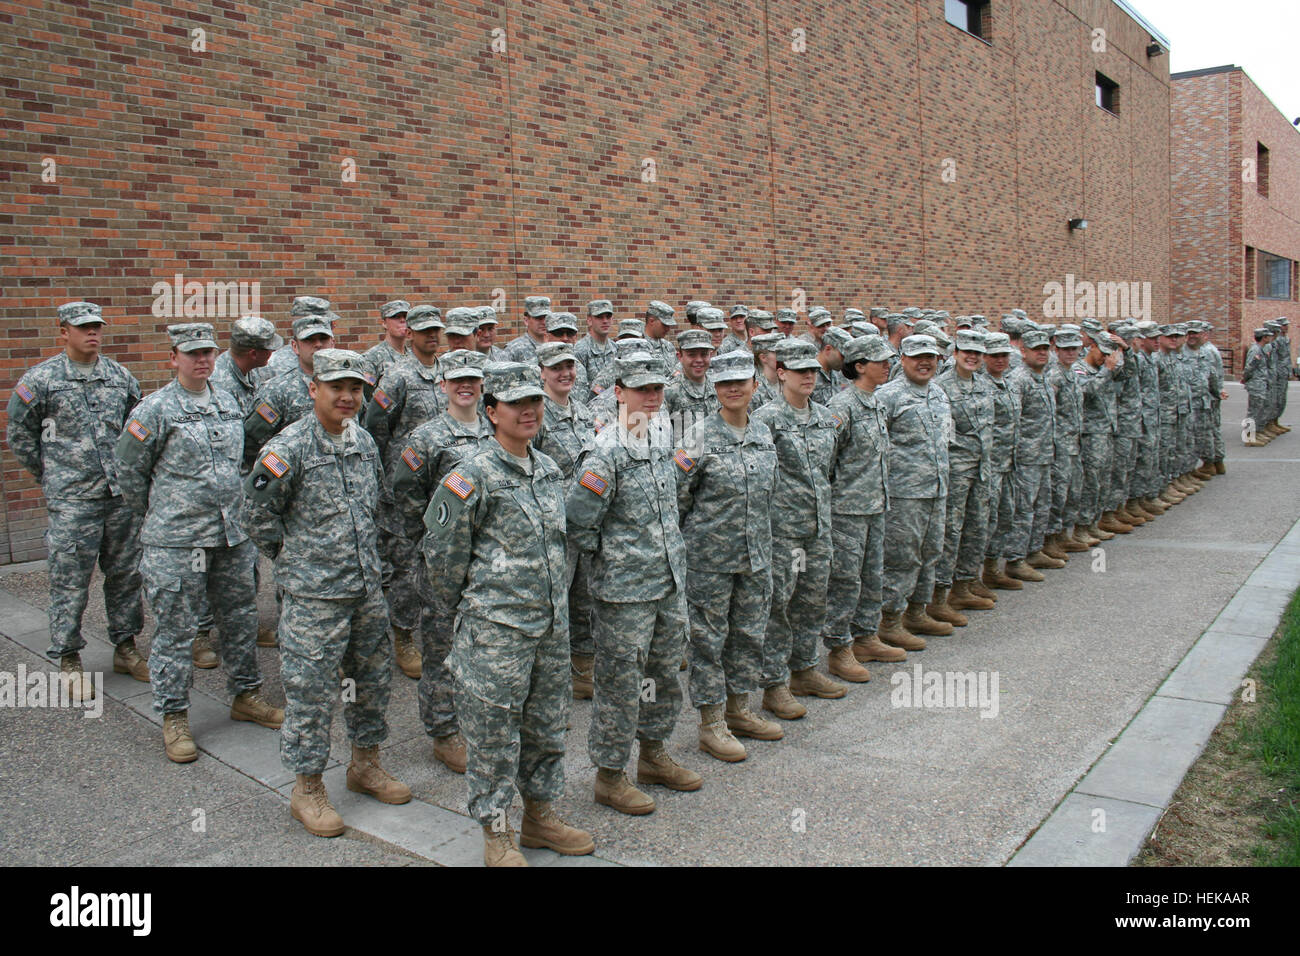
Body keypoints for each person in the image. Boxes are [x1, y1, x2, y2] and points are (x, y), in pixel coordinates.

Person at [423, 361, 593, 866]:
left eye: (535, 402)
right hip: (495, 632)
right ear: (491, 411)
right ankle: (496, 833)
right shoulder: (471, 476)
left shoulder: (547, 469)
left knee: (546, 727)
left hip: (548, 628)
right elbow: (441, 554)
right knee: (494, 736)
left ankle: (539, 817)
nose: (529, 412)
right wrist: (473, 610)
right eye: (517, 404)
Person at [245, 348, 410, 837]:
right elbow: (256, 517)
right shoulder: (286, 449)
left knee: (372, 682)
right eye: (337, 387)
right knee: (311, 694)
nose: (347, 396)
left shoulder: (360, 439)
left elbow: (375, 505)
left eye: (356, 388)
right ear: (314, 389)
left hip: (364, 589)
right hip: (315, 598)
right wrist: (298, 562)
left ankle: (365, 764)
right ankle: (308, 787)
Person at [115, 323, 281, 763]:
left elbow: (242, 460)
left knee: (241, 618)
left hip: (231, 535)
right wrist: (160, 516)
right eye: (192, 354)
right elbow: (128, 473)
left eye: (207, 352)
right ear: (174, 358)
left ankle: (246, 695)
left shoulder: (228, 401)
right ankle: (174, 715)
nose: (202, 360)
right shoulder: (154, 410)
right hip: (176, 540)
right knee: (176, 628)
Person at [566, 351, 701, 815]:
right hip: (624, 593)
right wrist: (615, 560)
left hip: (666, 581)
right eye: (641, 389)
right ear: (618, 393)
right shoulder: (605, 451)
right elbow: (579, 522)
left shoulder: (663, 433)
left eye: (657, 389)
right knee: (621, 683)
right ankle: (609, 775)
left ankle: (654, 755)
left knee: (662, 675)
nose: (651, 397)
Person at [7, 301, 146, 698]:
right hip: (73, 501)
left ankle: (125, 646)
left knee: (125, 575)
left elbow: (136, 431)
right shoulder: (42, 380)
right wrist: (52, 476)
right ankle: (68, 657)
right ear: (63, 331)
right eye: (83, 327)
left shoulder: (120, 377)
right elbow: (20, 435)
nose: (93, 334)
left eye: (97, 327)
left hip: (117, 497)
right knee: (70, 581)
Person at [389, 349, 494, 774]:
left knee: (481, 642)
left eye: (472, 379)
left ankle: (475, 718)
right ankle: (444, 731)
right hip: (444, 562)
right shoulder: (426, 438)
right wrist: (432, 541)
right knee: (441, 647)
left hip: (487, 558)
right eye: (457, 380)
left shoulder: (495, 430)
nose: (465, 386)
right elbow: (406, 494)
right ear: (442, 385)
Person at [677, 350, 780, 761]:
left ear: (755, 385)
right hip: (709, 561)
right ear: (716, 389)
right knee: (708, 642)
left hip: (756, 554)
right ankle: (711, 723)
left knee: (750, 634)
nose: (733, 389)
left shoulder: (762, 433)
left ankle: (740, 709)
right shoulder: (696, 437)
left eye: (741, 381)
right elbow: (678, 497)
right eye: (724, 383)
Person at [753, 339, 859, 708]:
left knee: (813, 600)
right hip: (784, 531)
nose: (809, 377)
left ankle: (805, 670)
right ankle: (774, 683)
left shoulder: (826, 417)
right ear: (781, 373)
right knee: (779, 605)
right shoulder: (765, 420)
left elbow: (829, 470)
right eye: (800, 371)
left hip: (818, 527)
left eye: (813, 370)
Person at [365, 305, 451, 680]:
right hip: (406, 486)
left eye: (437, 330)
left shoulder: (449, 372)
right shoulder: (397, 377)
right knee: (404, 563)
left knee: (441, 556)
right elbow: (376, 427)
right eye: (425, 330)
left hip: (444, 485)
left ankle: (439, 625)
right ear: (410, 334)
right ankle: (402, 634)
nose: (433, 336)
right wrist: (391, 472)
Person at [821, 334, 904, 673]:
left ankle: (866, 636)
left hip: (875, 505)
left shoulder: (877, 402)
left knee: (872, 576)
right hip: (847, 511)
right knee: (845, 580)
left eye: (888, 360)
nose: (887, 366)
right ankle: (839, 648)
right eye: (880, 361)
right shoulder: (842, 407)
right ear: (859, 366)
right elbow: (825, 461)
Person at [874, 334, 952, 646]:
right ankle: (890, 620)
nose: (925, 363)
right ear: (902, 359)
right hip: (903, 493)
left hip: (936, 489)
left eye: (930, 357)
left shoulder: (939, 393)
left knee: (931, 552)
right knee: (901, 557)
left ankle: (917, 612)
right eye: (917, 356)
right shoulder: (887, 396)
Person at [532, 343, 598, 700]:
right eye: (556, 367)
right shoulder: (536, 414)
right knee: (554, 605)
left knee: (584, 599)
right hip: (554, 527)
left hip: (584, 524)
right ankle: (550, 686)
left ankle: (582, 668)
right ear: (542, 371)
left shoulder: (584, 412)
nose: (565, 373)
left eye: (569, 366)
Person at [929, 329, 995, 627]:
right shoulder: (940, 387)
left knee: (977, 527)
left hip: (981, 468)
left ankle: (964, 584)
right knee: (950, 533)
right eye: (966, 351)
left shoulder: (983, 384)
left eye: (978, 353)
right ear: (955, 353)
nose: (972, 357)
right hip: (955, 471)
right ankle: (939, 596)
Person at [1003, 327, 1060, 580]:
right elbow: (1012, 421)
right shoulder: (1019, 379)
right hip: (1026, 456)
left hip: (1045, 452)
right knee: (1024, 509)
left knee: (1042, 504)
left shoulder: (1044, 377)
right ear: (1023, 351)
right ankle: (1015, 559)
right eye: (1036, 350)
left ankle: (1034, 549)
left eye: (1045, 349)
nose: (1041, 354)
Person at [210, 315, 280, 418]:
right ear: (254, 354)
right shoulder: (219, 384)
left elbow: (262, 408)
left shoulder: (256, 369)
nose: (272, 351)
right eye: (269, 348)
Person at [360, 299, 412, 400]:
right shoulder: (372, 358)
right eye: (396, 317)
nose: (402, 320)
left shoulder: (414, 356)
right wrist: (390, 405)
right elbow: (368, 393)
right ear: (384, 323)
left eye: (405, 317)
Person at [504, 295, 550, 362]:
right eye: (538, 318)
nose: (543, 322)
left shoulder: (555, 344)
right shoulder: (513, 349)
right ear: (526, 321)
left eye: (546, 317)